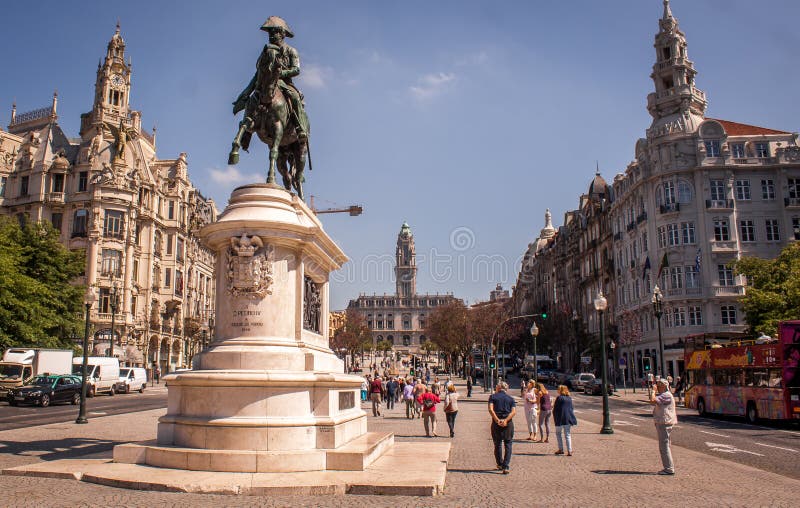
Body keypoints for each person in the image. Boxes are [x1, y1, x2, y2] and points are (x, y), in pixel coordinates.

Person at [649, 377, 677, 475]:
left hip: (664, 423)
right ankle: (669, 467)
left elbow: (652, 400)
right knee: (665, 445)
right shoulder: (665, 395)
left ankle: (669, 468)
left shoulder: (666, 395)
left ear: (664, 386)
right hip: (664, 422)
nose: (658, 387)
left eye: (659, 386)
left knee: (664, 446)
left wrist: (653, 391)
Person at [488, 381, 517, 474]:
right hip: (508, 424)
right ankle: (506, 466)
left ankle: (500, 463)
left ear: (499, 388)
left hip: (496, 423)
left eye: (496, 386)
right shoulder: (511, 399)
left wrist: (497, 420)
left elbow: (490, 409)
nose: (495, 388)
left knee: (497, 443)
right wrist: (506, 420)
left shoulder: (493, 397)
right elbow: (513, 412)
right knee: (508, 444)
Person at [553, 385, 577, 456]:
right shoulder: (569, 398)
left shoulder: (559, 398)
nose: (557, 390)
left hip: (559, 418)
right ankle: (569, 451)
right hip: (568, 418)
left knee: (558, 433)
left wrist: (554, 416)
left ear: (560, 390)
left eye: (558, 389)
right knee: (567, 434)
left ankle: (561, 449)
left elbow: (556, 409)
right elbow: (571, 408)